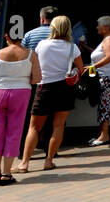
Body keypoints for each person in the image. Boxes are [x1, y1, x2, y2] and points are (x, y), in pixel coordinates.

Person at [17, 15, 84, 172]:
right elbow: (80, 70)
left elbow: (35, 63)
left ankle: (25, 163)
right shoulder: (72, 47)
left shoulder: (42, 45)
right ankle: (49, 161)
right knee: (58, 125)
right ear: (68, 28)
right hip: (65, 88)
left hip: (44, 87)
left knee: (34, 127)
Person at [0, 29, 40, 186]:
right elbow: (37, 79)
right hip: (21, 93)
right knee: (14, 130)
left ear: (6, 36)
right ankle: (7, 173)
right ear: (22, 37)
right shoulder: (31, 54)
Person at [87, 16, 110, 146]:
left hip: (108, 77)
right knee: (103, 105)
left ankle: (104, 135)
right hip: (105, 77)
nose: (97, 27)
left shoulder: (109, 40)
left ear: (106, 27)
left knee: (105, 106)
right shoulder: (107, 39)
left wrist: (93, 67)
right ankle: (102, 134)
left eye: (99, 25)